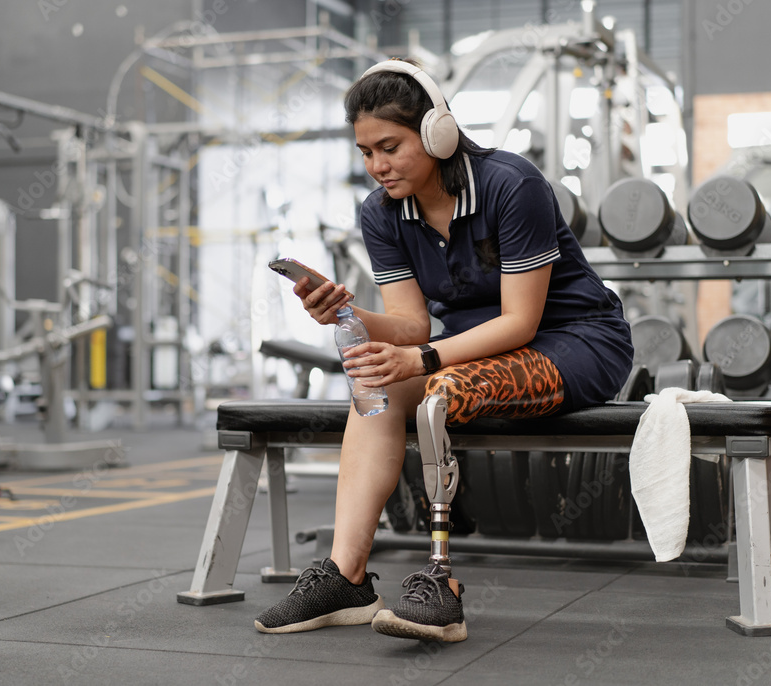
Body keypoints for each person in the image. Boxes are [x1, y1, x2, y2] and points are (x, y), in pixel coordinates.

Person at [254, 59, 634, 643]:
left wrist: (428, 359)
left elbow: (519, 322)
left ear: (438, 134)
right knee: (374, 384)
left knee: (442, 390)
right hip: (466, 350)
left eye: (390, 146)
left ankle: (442, 584)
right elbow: (410, 325)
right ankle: (346, 577)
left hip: (576, 343)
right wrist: (347, 313)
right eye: (365, 152)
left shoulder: (513, 186)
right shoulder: (381, 213)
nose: (377, 166)